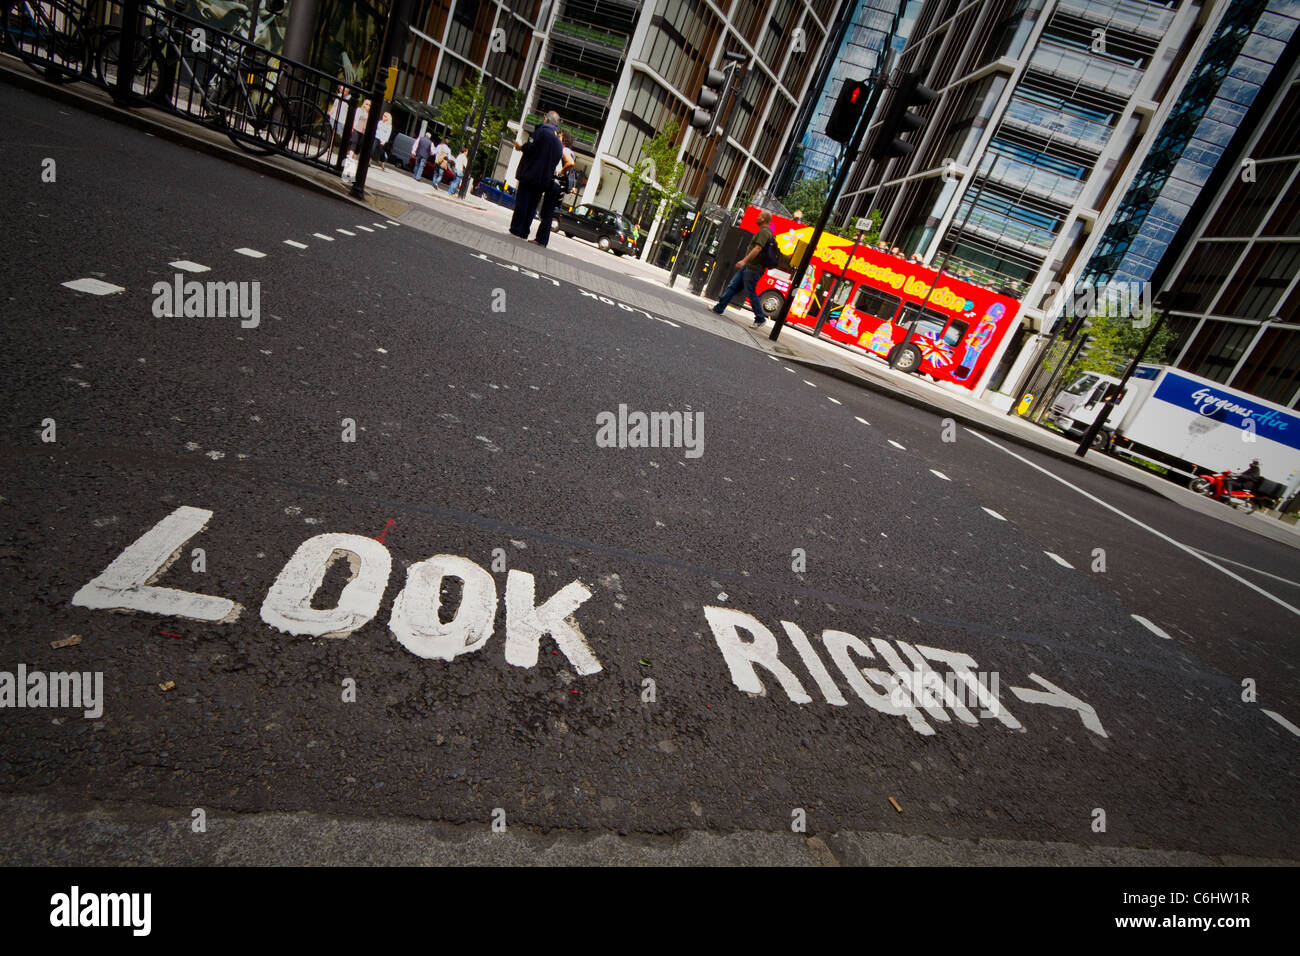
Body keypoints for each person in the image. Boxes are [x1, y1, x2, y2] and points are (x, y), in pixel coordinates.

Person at [709, 210, 775, 326]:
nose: (757, 217)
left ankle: (760, 318)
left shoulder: (765, 232)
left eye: (759, 216)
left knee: (750, 292)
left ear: (764, 219)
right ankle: (719, 308)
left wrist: (744, 261)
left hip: (754, 268)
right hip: (749, 267)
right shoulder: (764, 231)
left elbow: (758, 248)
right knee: (733, 286)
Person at [509, 111, 564, 240]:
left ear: (546, 119)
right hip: (543, 180)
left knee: (523, 202)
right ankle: (524, 232)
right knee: (532, 206)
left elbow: (530, 147)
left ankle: (516, 228)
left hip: (529, 174)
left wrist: (521, 148)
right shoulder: (557, 142)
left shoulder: (541, 131)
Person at [534, 130, 576, 246]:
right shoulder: (570, 151)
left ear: (564, 140)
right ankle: (542, 240)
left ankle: (540, 240)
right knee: (548, 213)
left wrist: (560, 172)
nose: (557, 137)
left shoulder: (564, 150)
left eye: (559, 136)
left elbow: (570, 163)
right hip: (559, 188)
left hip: (554, 185)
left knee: (546, 213)